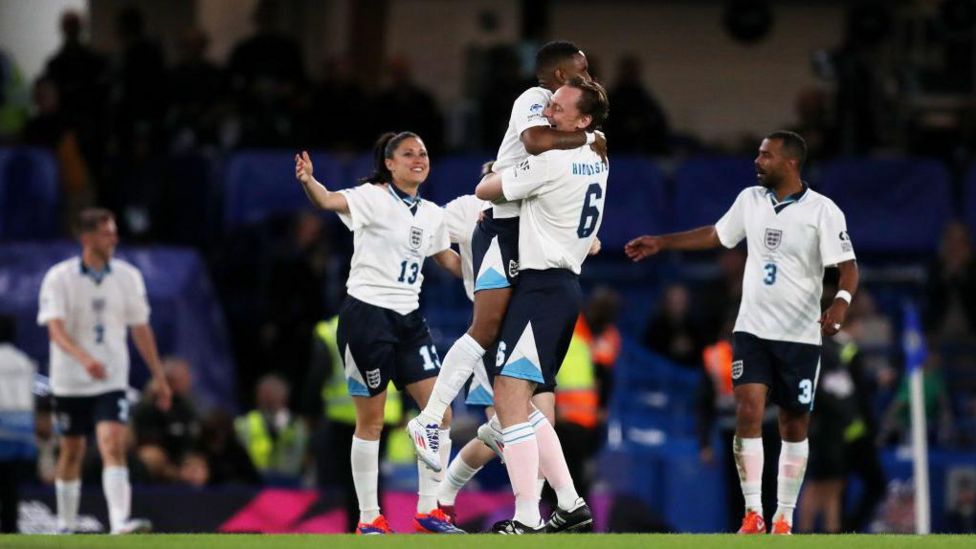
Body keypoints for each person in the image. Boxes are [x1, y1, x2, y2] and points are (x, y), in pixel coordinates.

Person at [625, 130, 859, 535]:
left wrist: (839, 302)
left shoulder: (823, 211)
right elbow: (718, 234)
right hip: (752, 330)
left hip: (800, 335)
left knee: (793, 424)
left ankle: (783, 516)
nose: (757, 161)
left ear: (790, 163)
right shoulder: (750, 200)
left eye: (766, 155)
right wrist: (663, 242)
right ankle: (753, 514)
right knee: (747, 411)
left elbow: (848, 267)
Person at [407, 39, 605, 477]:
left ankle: (517, 500)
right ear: (558, 78)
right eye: (580, 70)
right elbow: (535, 142)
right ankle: (428, 420)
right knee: (485, 330)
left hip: (529, 231)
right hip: (501, 226)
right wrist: (589, 136)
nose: (587, 77)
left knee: (515, 398)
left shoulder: (571, 124)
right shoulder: (535, 101)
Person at [294, 131, 463, 534]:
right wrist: (308, 182)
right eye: (408, 154)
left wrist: (496, 271)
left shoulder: (431, 214)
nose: (418, 159)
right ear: (389, 163)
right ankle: (369, 517)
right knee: (370, 422)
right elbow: (328, 200)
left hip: (409, 320)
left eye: (422, 152)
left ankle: (428, 511)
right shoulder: (371, 197)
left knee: (439, 412)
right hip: (367, 318)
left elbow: (450, 262)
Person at [474, 76, 610, 534]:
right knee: (522, 402)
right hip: (559, 285)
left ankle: (528, 517)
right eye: (550, 104)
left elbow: (485, 192)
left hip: (544, 287)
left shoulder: (552, 161)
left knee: (509, 399)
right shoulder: (596, 154)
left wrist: (495, 169)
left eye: (560, 108)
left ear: (583, 119)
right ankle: (570, 503)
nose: (549, 113)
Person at [37, 208, 172, 534]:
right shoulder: (60, 277)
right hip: (70, 380)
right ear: (86, 238)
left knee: (113, 441)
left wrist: (160, 376)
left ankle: (118, 522)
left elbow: (140, 328)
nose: (114, 238)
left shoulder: (127, 277)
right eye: (106, 232)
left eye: (113, 232)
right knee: (72, 450)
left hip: (111, 377)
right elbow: (55, 329)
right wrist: (83, 359)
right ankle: (66, 523)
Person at [234, 374, 308, 483]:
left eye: (272, 393)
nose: (267, 398)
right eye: (264, 393)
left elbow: (305, 458)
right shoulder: (244, 423)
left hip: (290, 486)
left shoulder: (298, 426)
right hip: (255, 484)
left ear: (284, 397)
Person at [0, 315, 36, 533]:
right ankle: (10, 530)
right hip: (23, 432)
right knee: (10, 487)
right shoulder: (24, 361)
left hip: (2, 427)